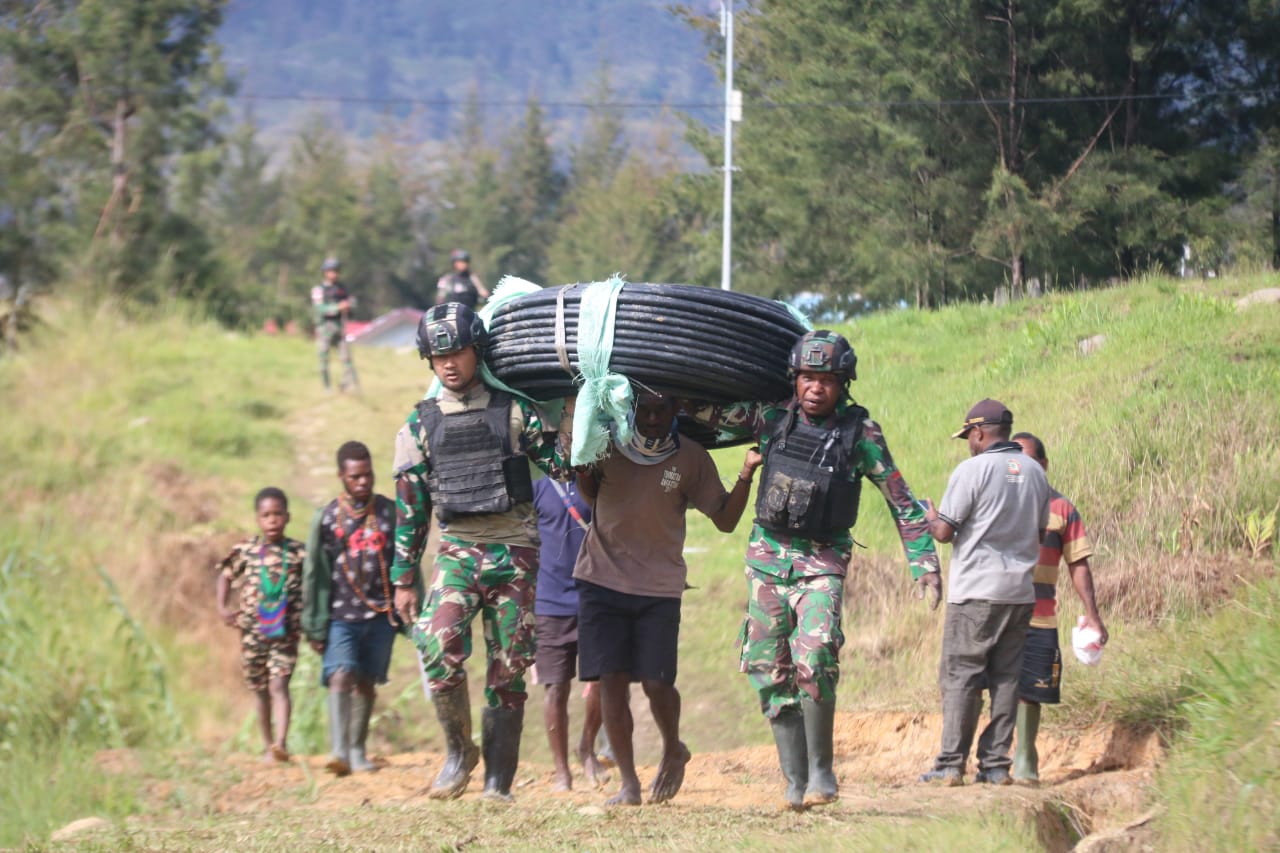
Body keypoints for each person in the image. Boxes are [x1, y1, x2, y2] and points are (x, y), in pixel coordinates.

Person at [689, 331, 942, 809]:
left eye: (826, 380)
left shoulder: (861, 437)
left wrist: (924, 563)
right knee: (767, 668)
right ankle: (794, 779)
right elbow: (706, 413)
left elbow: (902, 503)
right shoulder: (769, 420)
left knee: (816, 655)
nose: (815, 388)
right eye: (807, 378)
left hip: (822, 563)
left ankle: (822, 773)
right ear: (794, 379)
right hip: (766, 561)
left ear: (843, 384)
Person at [389, 302, 571, 802]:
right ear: (428, 360)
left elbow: (559, 465)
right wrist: (403, 577)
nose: (449, 363)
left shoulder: (514, 410)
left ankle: (498, 783)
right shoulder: (419, 424)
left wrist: (578, 410)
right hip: (458, 552)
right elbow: (411, 508)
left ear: (478, 351)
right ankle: (458, 752)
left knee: (510, 667)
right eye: (439, 354)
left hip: (515, 554)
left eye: (459, 352)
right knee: (436, 645)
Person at [574, 390, 761, 807]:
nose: (653, 418)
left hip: (658, 587)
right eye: (645, 409)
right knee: (612, 683)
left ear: (678, 409)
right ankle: (629, 784)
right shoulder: (604, 447)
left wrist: (746, 474)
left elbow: (727, 521)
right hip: (601, 581)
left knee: (658, 683)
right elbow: (590, 495)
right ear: (629, 408)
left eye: (662, 409)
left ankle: (673, 747)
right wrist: (581, 446)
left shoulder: (691, 458)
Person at [918, 399, 1050, 786]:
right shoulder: (1035, 473)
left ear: (978, 432)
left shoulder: (971, 470)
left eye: (968, 437)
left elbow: (944, 532)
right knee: (1007, 677)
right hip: (1020, 592)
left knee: (961, 674)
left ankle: (949, 765)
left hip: (976, 590)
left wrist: (930, 519)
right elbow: (1040, 533)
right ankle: (994, 766)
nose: (968, 443)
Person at [303, 441, 423, 776]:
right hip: (341, 616)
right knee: (340, 676)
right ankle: (339, 751)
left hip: (381, 615)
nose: (362, 482)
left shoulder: (389, 512)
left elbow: (407, 562)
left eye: (367, 475)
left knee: (368, 681)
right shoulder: (326, 518)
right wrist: (314, 625)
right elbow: (314, 572)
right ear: (341, 476)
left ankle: (357, 750)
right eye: (355, 477)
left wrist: (412, 611)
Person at [1009, 431, 1107, 786]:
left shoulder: (1062, 509)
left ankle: (1025, 759)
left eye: (1029, 461)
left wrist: (1093, 615)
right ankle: (989, 761)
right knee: (993, 685)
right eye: (1014, 460)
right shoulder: (999, 501)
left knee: (1031, 690)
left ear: (1044, 466)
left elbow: (1078, 563)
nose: (1021, 467)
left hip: (1040, 615)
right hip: (998, 611)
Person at [215, 487, 306, 763]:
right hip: (252, 632)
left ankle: (281, 743)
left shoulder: (299, 553)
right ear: (258, 519)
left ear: (287, 517)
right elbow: (225, 575)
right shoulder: (246, 550)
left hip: (286, 632)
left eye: (278, 514)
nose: (272, 520)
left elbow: (314, 586)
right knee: (260, 689)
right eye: (266, 515)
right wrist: (222, 607)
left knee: (280, 685)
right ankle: (268, 745)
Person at [531, 474, 609, 791]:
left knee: (602, 682)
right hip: (549, 602)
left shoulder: (595, 484)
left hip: (593, 596)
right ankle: (562, 771)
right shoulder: (536, 490)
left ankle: (587, 747)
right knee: (555, 689)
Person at [311, 256, 360, 392]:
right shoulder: (318, 290)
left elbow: (351, 302)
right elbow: (320, 308)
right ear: (325, 272)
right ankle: (327, 388)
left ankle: (347, 385)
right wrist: (338, 307)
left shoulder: (342, 289)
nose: (334, 274)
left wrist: (349, 305)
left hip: (339, 327)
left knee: (347, 359)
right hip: (324, 328)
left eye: (336, 271)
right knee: (324, 359)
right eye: (331, 271)